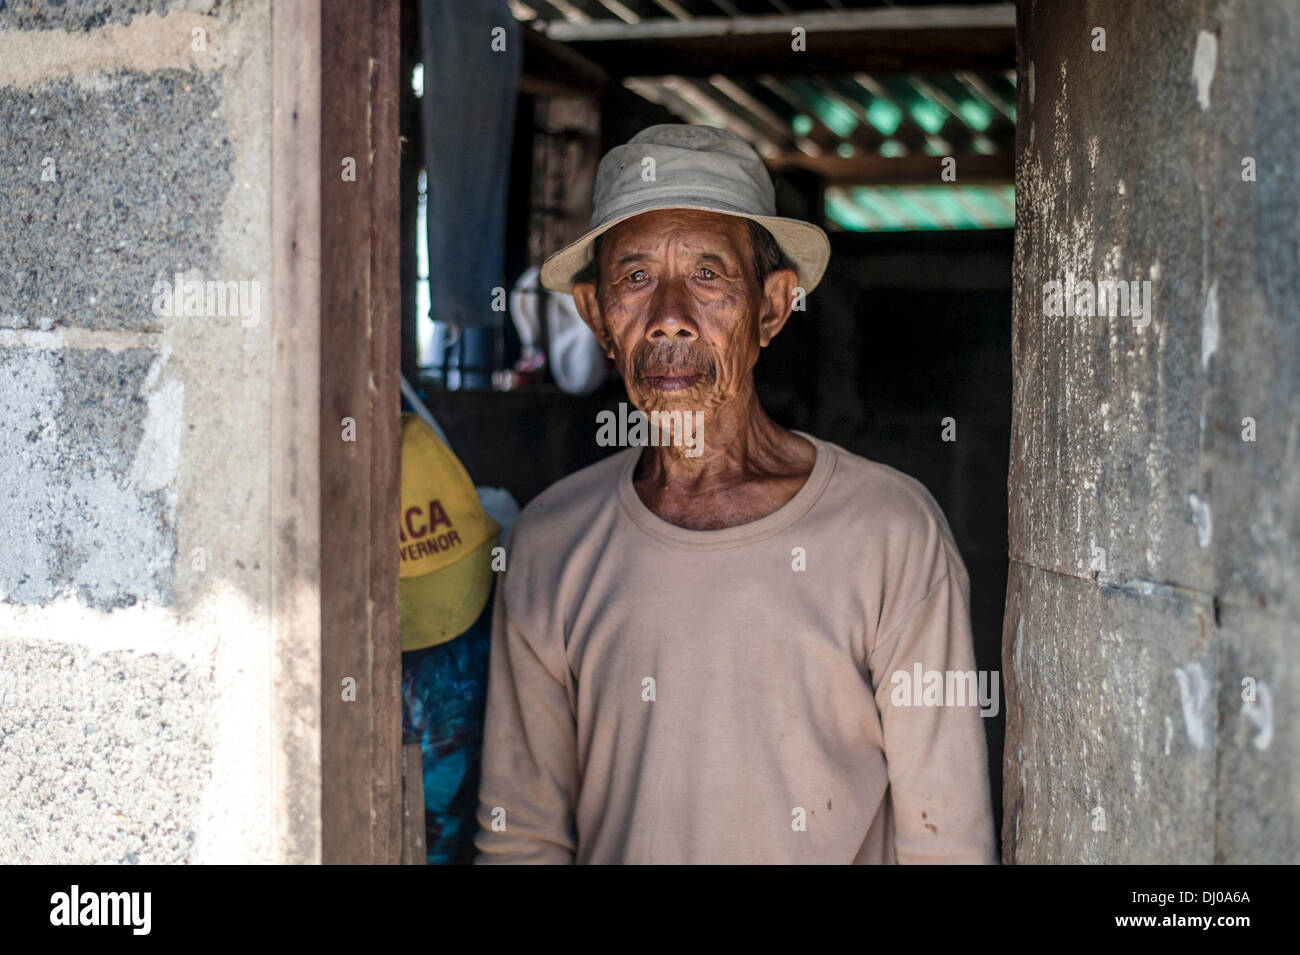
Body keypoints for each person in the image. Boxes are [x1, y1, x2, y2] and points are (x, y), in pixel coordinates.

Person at [473, 124, 996, 864]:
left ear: (774, 308)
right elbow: (520, 839)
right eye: (635, 278)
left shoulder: (891, 532)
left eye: (710, 275)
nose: (670, 315)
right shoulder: (550, 544)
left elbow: (948, 842)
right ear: (598, 317)